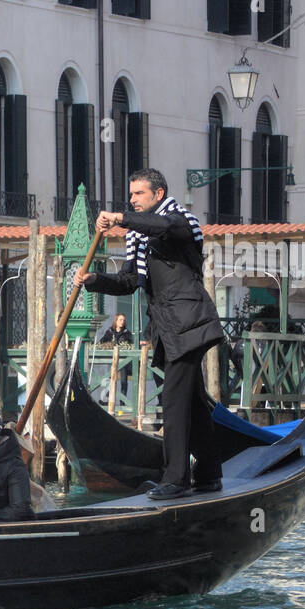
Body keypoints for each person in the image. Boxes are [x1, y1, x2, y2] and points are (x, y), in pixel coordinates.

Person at [76, 168, 224, 500]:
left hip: (188, 323)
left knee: (173, 403)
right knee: (194, 405)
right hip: (169, 329)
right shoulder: (138, 235)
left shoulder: (180, 220)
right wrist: (93, 280)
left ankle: (176, 479)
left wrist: (120, 218)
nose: (132, 200)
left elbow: (165, 227)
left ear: (158, 194)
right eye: (130, 196)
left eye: (138, 194)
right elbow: (130, 282)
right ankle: (210, 472)